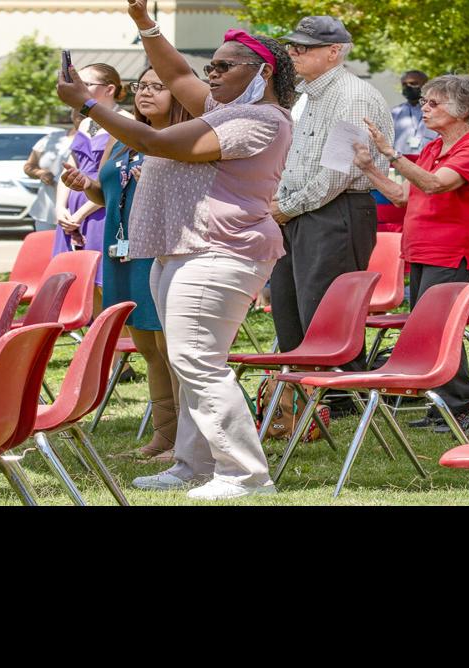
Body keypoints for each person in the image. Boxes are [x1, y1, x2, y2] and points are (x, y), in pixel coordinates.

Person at [59, 0, 296, 500]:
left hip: (219, 251)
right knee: (187, 363)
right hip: (181, 251)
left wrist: (88, 105)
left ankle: (245, 474)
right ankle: (193, 463)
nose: (211, 74)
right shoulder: (227, 106)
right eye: (211, 65)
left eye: (224, 66)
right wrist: (145, 24)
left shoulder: (261, 119)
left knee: (197, 361)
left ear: (263, 72)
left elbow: (158, 142)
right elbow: (177, 71)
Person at [59, 67, 191, 460]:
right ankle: (163, 437)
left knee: (170, 349)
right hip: (123, 251)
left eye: (158, 86)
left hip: (159, 250)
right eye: (142, 86)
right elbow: (111, 194)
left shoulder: (182, 138)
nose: (146, 93)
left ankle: (186, 440)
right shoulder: (124, 138)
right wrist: (89, 187)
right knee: (148, 347)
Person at [354, 74, 469, 434]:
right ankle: (442, 406)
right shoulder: (435, 147)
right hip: (423, 250)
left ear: (462, 110)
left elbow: (435, 184)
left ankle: (462, 404)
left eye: (435, 103)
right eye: (425, 102)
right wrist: (371, 168)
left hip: (452, 252)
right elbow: (404, 196)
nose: (425, 108)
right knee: (429, 330)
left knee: (442, 330)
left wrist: (391, 153)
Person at [267, 15, 394, 395]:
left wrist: (288, 207)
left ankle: (337, 396)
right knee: (291, 308)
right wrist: (284, 205)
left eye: (303, 47)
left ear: (334, 52)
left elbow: (338, 173)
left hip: (335, 211)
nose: (292, 53)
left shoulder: (352, 96)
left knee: (325, 311)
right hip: (300, 211)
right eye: (291, 46)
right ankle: (300, 392)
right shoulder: (308, 96)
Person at [54, 62, 128, 273]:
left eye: (85, 83)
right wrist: (61, 208)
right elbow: (68, 168)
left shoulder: (125, 122)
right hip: (70, 213)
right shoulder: (86, 123)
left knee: (99, 281)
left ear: (109, 89)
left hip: (99, 211)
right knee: (70, 280)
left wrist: (80, 215)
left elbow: (116, 178)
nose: (78, 88)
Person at [25, 124, 76, 232]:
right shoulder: (52, 137)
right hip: (46, 213)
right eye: (77, 108)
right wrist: (41, 173)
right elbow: (29, 166)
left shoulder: (96, 139)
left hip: (77, 212)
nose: (80, 113)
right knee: (46, 247)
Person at [391, 69, 438, 157]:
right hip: (400, 162)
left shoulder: (438, 111)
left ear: (426, 85)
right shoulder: (395, 113)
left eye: (413, 83)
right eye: (404, 84)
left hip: (428, 164)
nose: (408, 87)